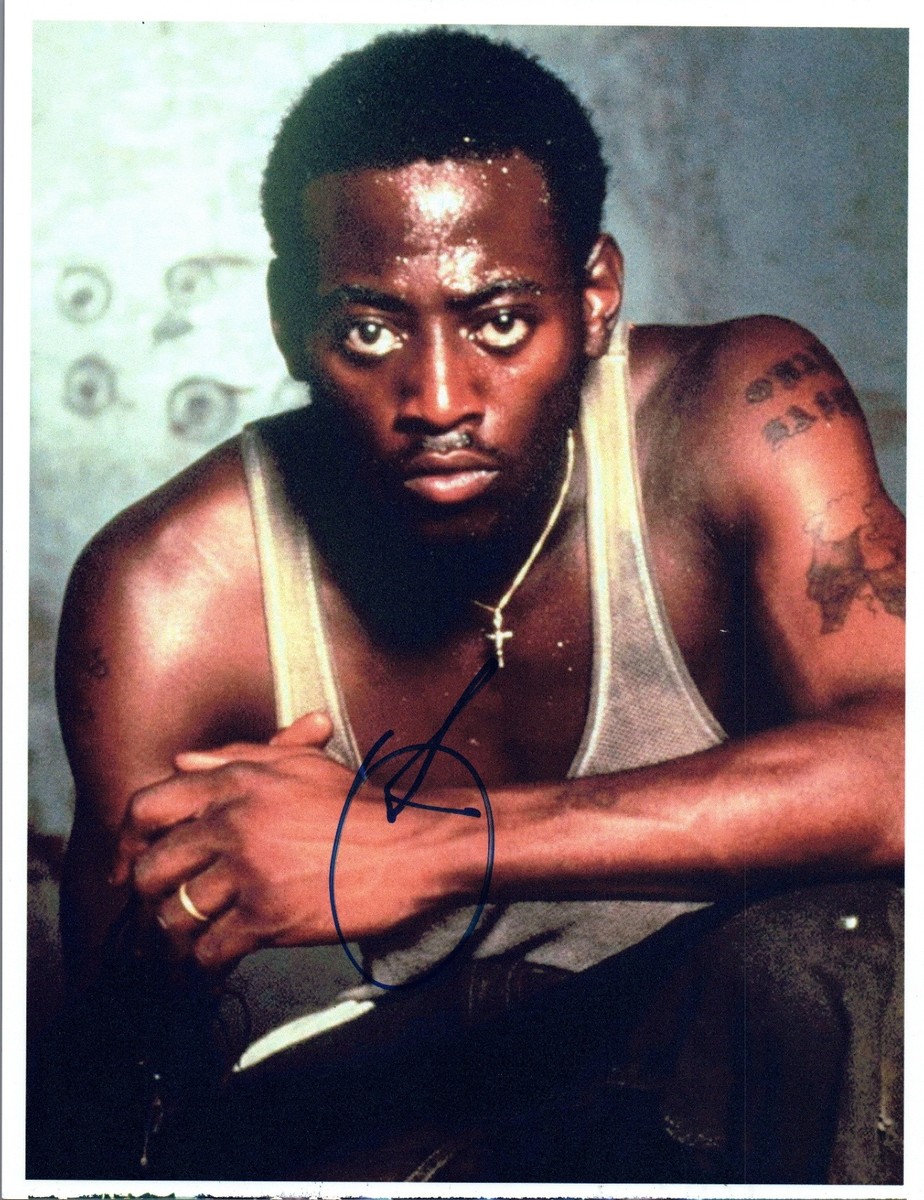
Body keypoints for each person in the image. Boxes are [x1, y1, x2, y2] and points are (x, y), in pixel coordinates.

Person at [45, 27, 903, 1184]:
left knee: (836, 953)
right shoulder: (167, 590)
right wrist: (198, 909)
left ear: (594, 297)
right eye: (369, 330)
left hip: (710, 1096)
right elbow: (111, 1085)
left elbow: (904, 765)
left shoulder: (734, 417)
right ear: (288, 320)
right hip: (382, 1121)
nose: (439, 399)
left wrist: (426, 849)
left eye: (499, 320)